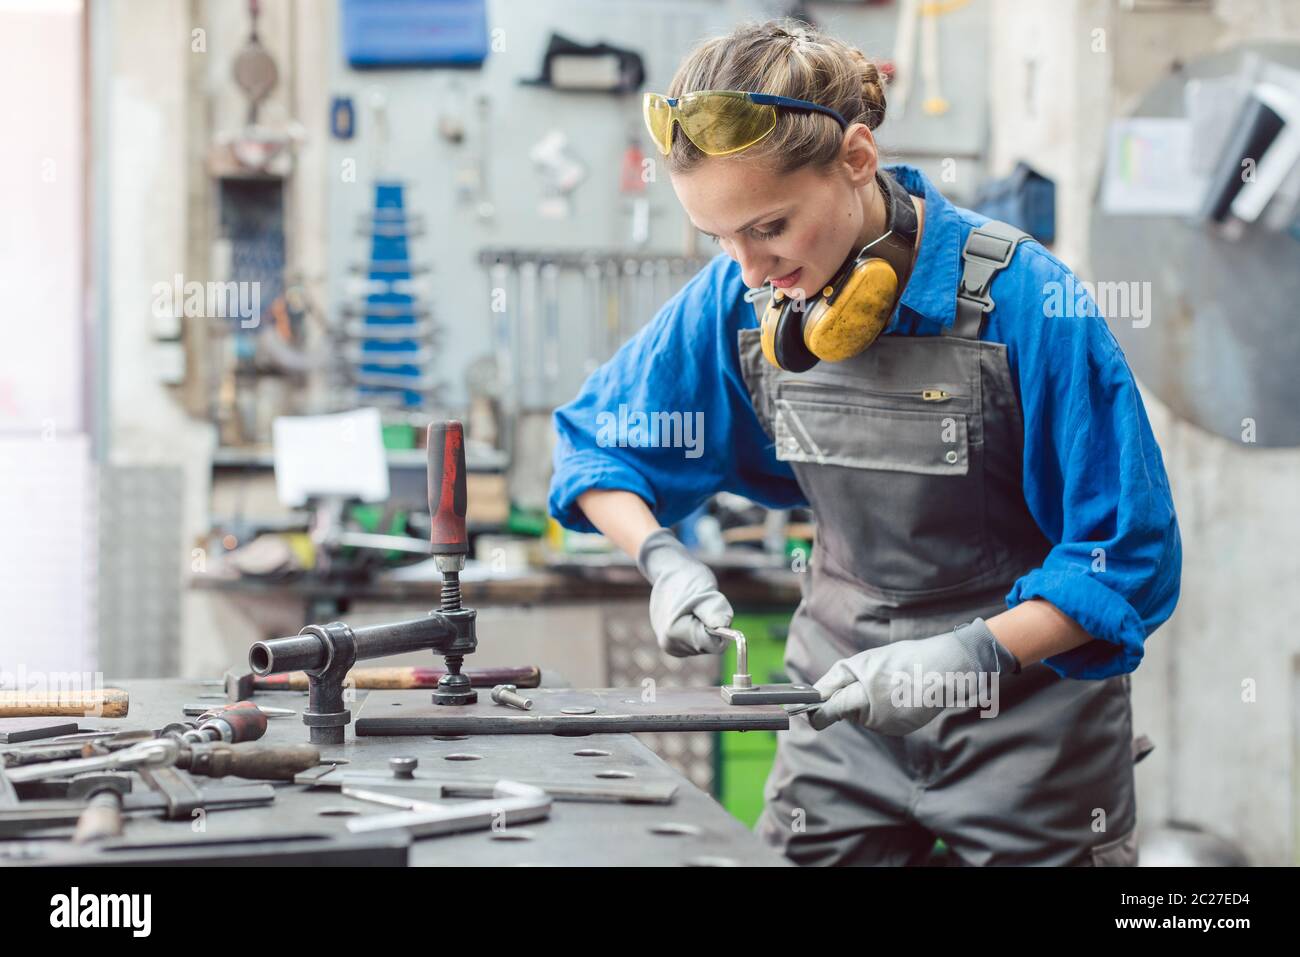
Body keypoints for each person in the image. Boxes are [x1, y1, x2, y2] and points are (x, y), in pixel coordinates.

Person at [548, 19, 1181, 866]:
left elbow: (1127, 553)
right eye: (720, 238)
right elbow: (596, 443)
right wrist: (663, 558)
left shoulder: (1028, 300)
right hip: (839, 710)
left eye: (770, 225)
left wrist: (968, 655)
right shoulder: (740, 304)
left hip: (1031, 726)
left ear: (855, 158)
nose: (748, 268)